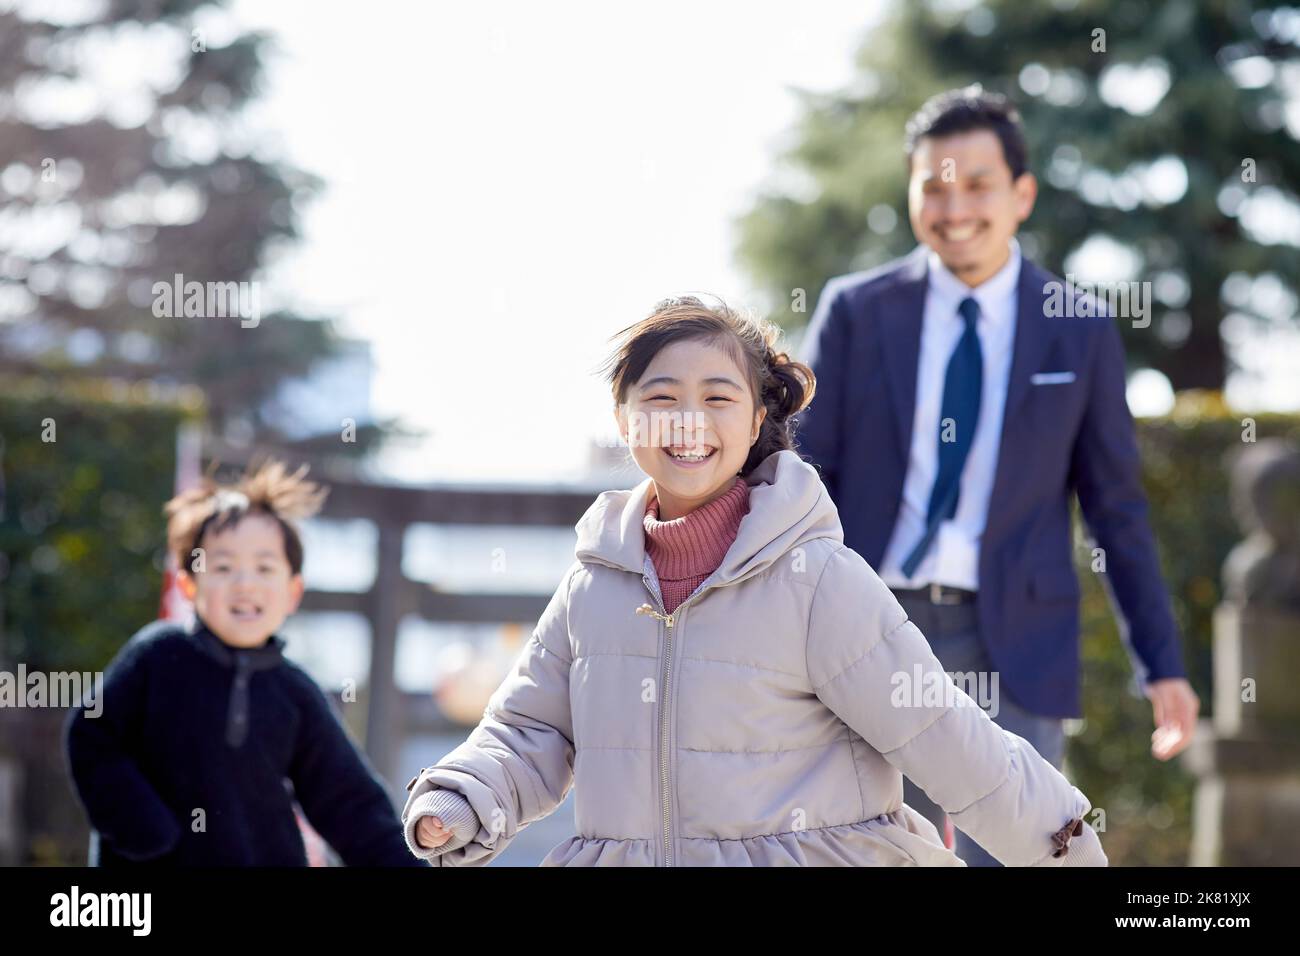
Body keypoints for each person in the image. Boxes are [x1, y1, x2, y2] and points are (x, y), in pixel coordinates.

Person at [400, 295, 1107, 867]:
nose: (688, 421)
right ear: (623, 418)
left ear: (758, 417)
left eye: (717, 398)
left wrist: (1063, 847)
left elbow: (941, 733)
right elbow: (529, 732)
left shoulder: (816, 581)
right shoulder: (594, 587)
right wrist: (457, 805)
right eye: (661, 396)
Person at [794, 85, 1199, 865]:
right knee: (875, 849)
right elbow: (802, 476)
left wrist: (1163, 666)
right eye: (934, 187)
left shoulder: (1077, 327)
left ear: (1021, 194)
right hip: (872, 624)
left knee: (1021, 850)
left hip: (1017, 636)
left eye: (977, 185)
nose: (955, 208)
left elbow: (1116, 507)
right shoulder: (855, 311)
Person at [64, 460, 425, 866]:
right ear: (188, 582)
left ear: (292, 592)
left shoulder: (294, 692)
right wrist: (143, 829)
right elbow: (92, 736)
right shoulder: (158, 656)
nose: (245, 583)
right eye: (223, 567)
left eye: (264, 568)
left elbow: (349, 801)